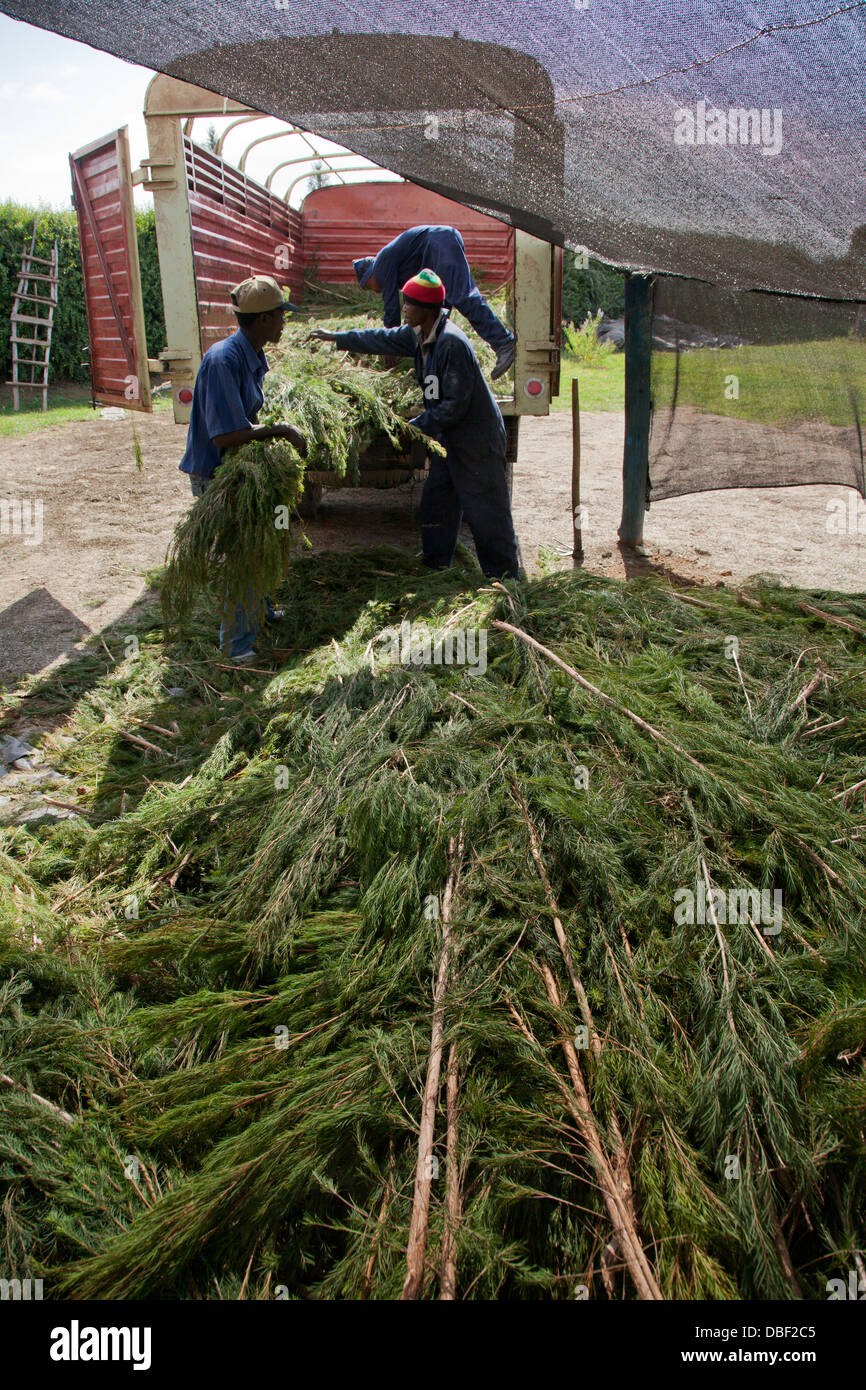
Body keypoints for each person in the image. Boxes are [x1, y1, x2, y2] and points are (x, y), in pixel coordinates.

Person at [310, 268, 520, 580]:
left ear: (428, 308)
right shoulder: (419, 333)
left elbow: (454, 406)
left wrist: (412, 426)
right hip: (447, 441)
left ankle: (503, 580)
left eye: (409, 304)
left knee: (486, 513)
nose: (404, 309)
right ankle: (436, 570)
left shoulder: (451, 344)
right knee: (437, 505)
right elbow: (382, 338)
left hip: (476, 441)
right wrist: (339, 338)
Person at [178, 275, 307, 664]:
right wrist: (281, 430)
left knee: (265, 539)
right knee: (244, 557)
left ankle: (261, 612)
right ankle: (236, 648)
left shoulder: (250, 353)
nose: (285, 322)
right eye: (281, 315)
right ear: (264, 319)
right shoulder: (223, 360)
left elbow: (244, 418)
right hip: (217, 475)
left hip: (238, 468)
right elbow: (223, 435)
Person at [353, 225, 516, 379]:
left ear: (370, 275)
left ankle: (503, 342)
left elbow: (392, 307)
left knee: (461, 296)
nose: (375, 291)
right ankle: (444, 373)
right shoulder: (392, 265)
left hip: (438, 243)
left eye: (369, 286)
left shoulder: (381, 266)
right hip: (437, 250)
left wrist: (389, 343)